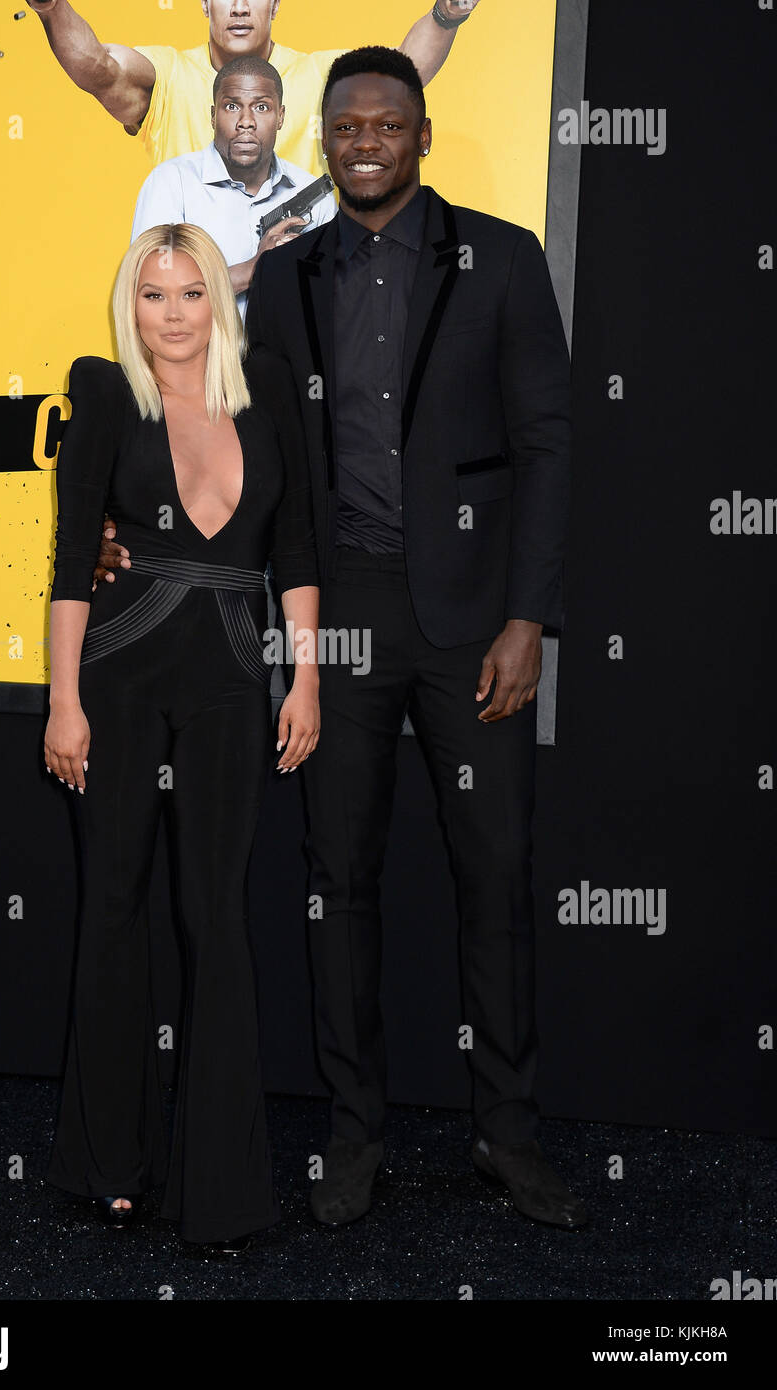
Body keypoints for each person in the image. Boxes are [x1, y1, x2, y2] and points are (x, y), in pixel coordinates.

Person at [94, 46, 588, 1233]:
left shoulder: (503, 260)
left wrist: (528, 619)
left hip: (475, 626)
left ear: (420, 133)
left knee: (495, 882)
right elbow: (216, 405)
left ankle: (506, 1134)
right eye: (348, 125)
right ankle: (353, 1136)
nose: (365, 139)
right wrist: (114, 509)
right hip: (338, 621)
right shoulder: (292, 273)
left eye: (387, 123)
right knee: (336, 884)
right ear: (328, 141)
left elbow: (548, 448)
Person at [42, 222, 320, 1253]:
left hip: (229, 685)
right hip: (117, 683)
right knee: (112, 904)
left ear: (218, 299)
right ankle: (108, 1164)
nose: (170, 313)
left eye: (188, 292)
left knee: (216, 916)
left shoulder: (272, 389)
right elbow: (74, 561)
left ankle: (220, 1186)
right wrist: (61, 701)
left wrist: (306, 676)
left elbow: (296, 546)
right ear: (133, 304)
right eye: (151, 294)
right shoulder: (108, 393)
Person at [26, 0, 483, 178]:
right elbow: (98, 68)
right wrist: (50, 7)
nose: (241, 7)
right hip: (192, 301)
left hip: (294, 296)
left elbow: (403, 76)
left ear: (276, 5)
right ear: (205, 5)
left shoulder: (317, 74)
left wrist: (446, 15)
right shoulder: (169, 75)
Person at [131, 55, 337, 321]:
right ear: (213, 116)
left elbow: (330, 304)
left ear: (281, 117)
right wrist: (256, 268)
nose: (246, 121)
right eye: (231, 106)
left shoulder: (315, 196)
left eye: (262, 107)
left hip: (286, 360)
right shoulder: (171, 184)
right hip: (196, 360)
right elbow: (151, 296)